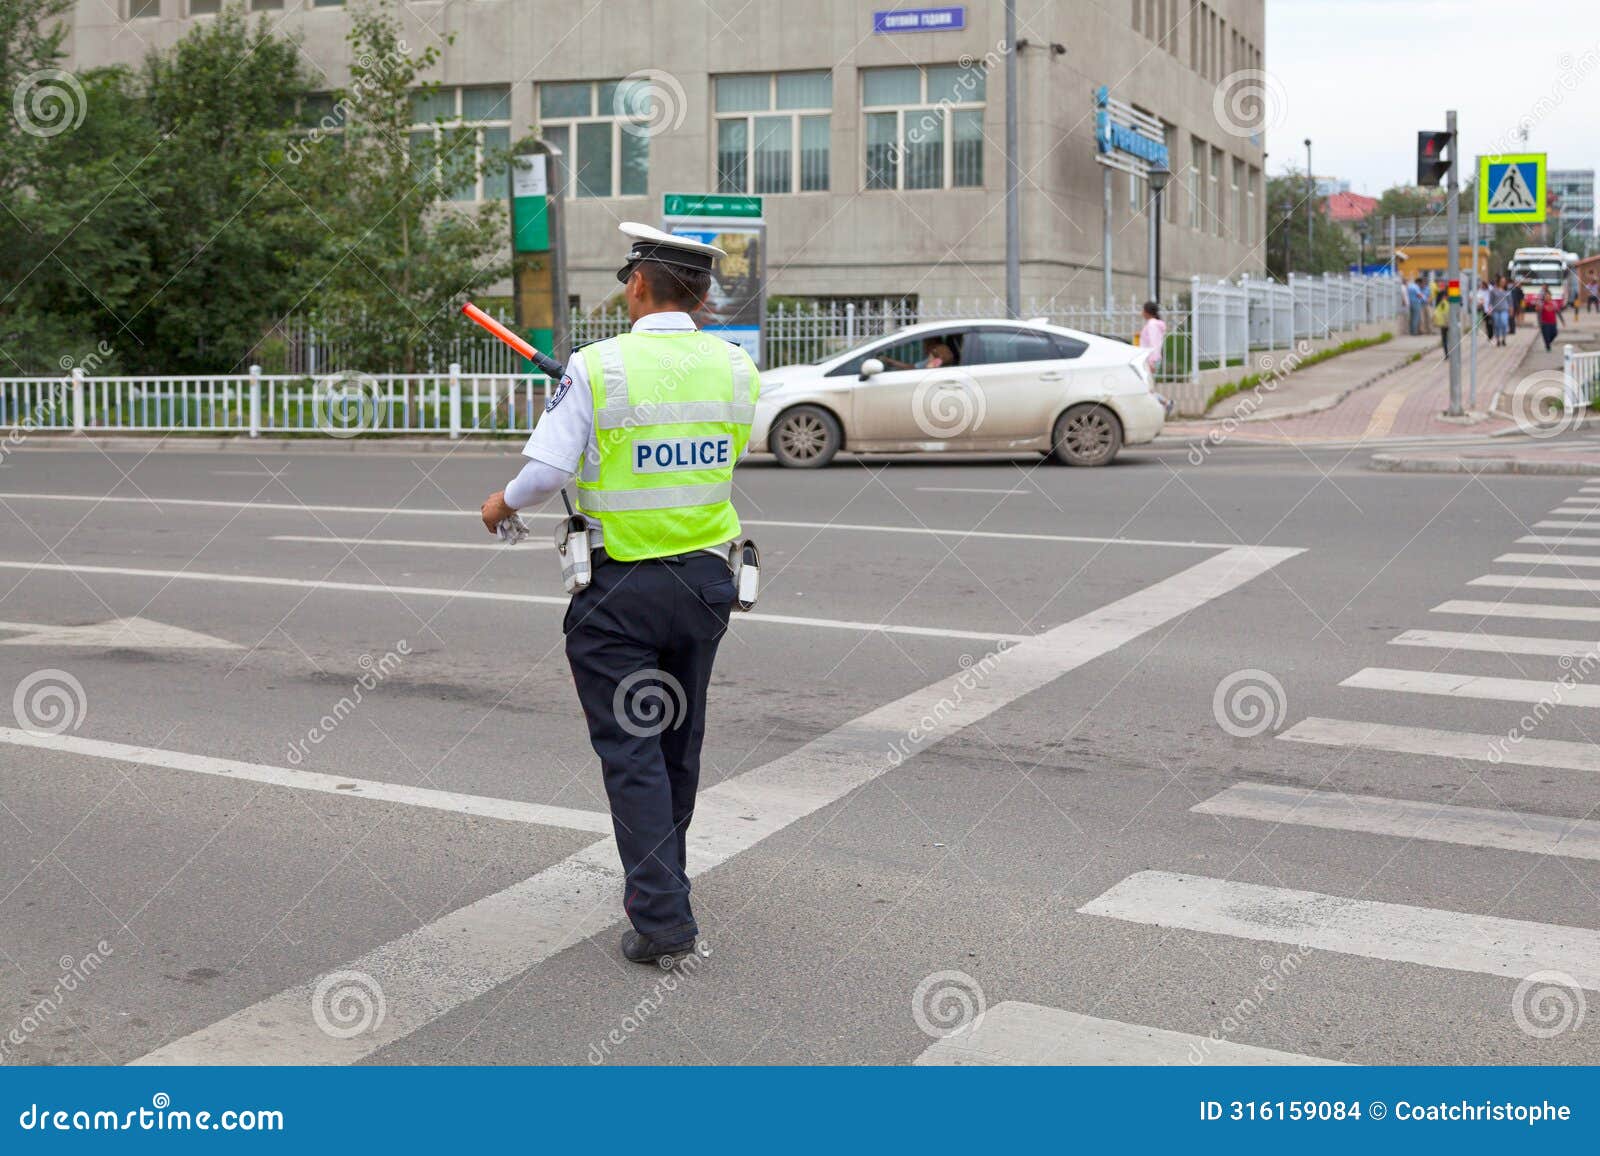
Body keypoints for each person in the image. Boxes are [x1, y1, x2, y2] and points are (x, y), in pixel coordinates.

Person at [478, 222, 759, 965]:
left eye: (625, 280)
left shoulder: (599, 366)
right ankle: (667, 878)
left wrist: (500, 507)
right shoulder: (735, 368)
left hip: (622, 588)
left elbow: (544, 475)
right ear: (701, 293)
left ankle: (665, 919)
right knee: (675, 741)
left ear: (638, 284)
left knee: (632, 750)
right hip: (706, 581)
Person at [883, 335, 955, 370]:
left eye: (925, 342)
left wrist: (889, 361)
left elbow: (912, 367)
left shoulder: (937, 355)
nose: (924, 346)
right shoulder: (941, 354)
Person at [1138, 301, 1167, 375]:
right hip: (1152, 359)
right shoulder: (1154, 324)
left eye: (1143, 310)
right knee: (1148, 384)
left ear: (1147, 312)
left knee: (1147, 384)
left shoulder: (1152, 324)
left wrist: (1151, 363)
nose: (1142, 313)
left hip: (1150, 360)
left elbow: (1153, 343)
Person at [1536, 288, 1564, 352]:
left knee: (1555, 333)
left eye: (1549, 296)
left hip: (1553, 323)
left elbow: (1558, 313)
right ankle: (1547, 345)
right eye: (1546, 296)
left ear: (1551, 296)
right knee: (1546, 336)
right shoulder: (1542, 304)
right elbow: (1539, 315)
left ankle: (1548, 343)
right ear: (1544, 297)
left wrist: (1562, 321)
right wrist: (1539, 323)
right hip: (1545, 323)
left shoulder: (1554, 304)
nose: (1547, 297)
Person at [1488, 277, 1511, 347]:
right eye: (1501, 281)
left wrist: (1511, 309)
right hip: (1496, 310)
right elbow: (1490, 301)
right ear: (1499, 282)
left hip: (1504, 310)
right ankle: (1498, 340)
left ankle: (1504, 338)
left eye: (1504, 281)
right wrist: (1489, 309)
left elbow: (1510, 301)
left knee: (1504, 323)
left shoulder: (1507, 291)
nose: (1503, 283)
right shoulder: (1493, 291)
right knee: (1497, 325)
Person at [1432, 290, 1451, 359]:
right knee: (1448, 339)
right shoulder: (1449, 303)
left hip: (1444, 324)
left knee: (1445, 339)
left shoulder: (1443, 303)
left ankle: (1447, 354)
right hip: (1448, 323)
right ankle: (1448, 353)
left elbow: (1436, 313)